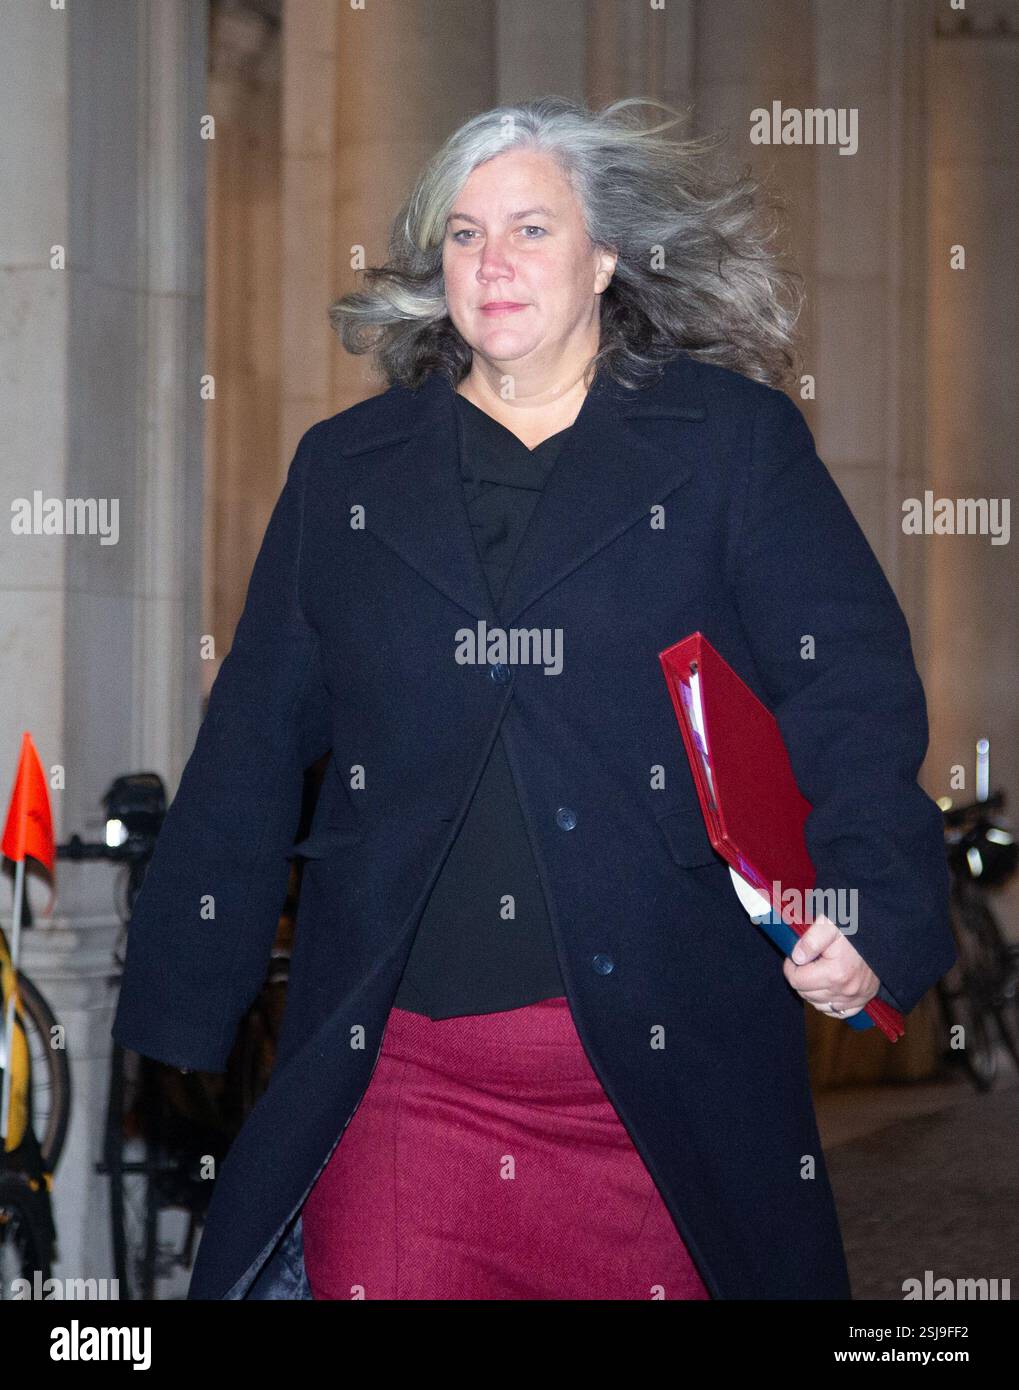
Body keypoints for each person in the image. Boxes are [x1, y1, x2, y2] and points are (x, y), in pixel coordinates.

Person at [111, 96, 956, 1300]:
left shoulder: (727, 446)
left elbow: (848, 694)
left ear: (603, 256)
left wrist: (867, 907)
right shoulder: (347, 471)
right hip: (406, 1072)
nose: (490, 262)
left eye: (529, 229)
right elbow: (252, 736)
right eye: (463, 235)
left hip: (659, 1078)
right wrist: (185, 991)